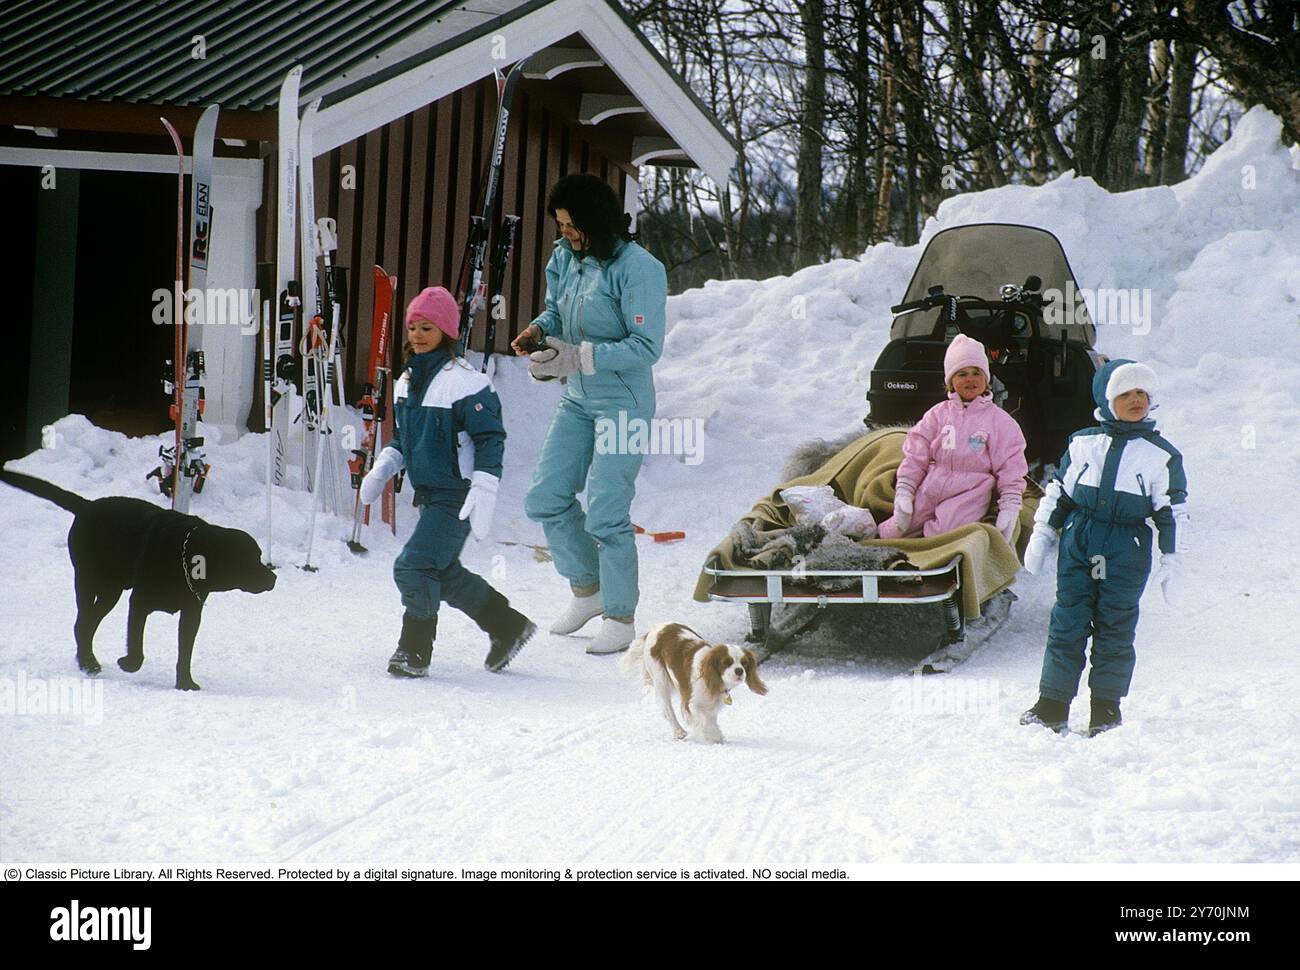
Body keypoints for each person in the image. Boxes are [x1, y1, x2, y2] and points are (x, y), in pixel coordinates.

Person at [509, 173, 668, 655]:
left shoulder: (639, 269)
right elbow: (556, 312)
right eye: (560, 226)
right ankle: (588, 590)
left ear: (596, 221)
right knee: (545, 496)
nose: (565, 235)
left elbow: (646, 346)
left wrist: (577, 357)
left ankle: (620, 615)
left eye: (572, 226)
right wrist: (539, 333)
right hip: (578, 398)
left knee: (606, 511)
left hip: (624, 401)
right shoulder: (565, 259)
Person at [361, 285, 535, 677]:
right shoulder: (408, 380)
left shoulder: (466, 382)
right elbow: (406, 436)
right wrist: (384, 465)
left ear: (447, 332)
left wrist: (486, 485)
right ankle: (508, 626)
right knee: (441, 571)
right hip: (431, 492)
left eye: (427, 327)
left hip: (458, 493)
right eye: (413, 327)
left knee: (414, 566)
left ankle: (414, 650)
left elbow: (491, 437)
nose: (418, 335)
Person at [1019, 359, 1188, 736]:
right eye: (1124, 393)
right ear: (1106, 399)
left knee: (1115, 627)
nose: (1135, 400)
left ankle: (1106, 708)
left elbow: (1172, 511)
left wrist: (1172, 557)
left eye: (1142, 393)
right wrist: (1044, 533)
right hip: (1081, 542)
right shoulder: (1083, 443)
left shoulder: (1161, 455)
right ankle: (1052, 704)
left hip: (1125, 549)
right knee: (1068, 622)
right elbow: (1059, 492)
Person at [878, 334, 1028, 543]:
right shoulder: (938, 414)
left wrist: (1010, 506)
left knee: (946, 532)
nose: (970, 379)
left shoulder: (1000, 422)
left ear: (986, 379)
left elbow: (1011, 466)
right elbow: (916, 453)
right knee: (900, 525)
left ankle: (930, 560)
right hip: (933, 482)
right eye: (962, 374)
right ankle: (872, 536)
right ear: (950, 382)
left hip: (970, 491)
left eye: (977, 372)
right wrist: (905, 489)